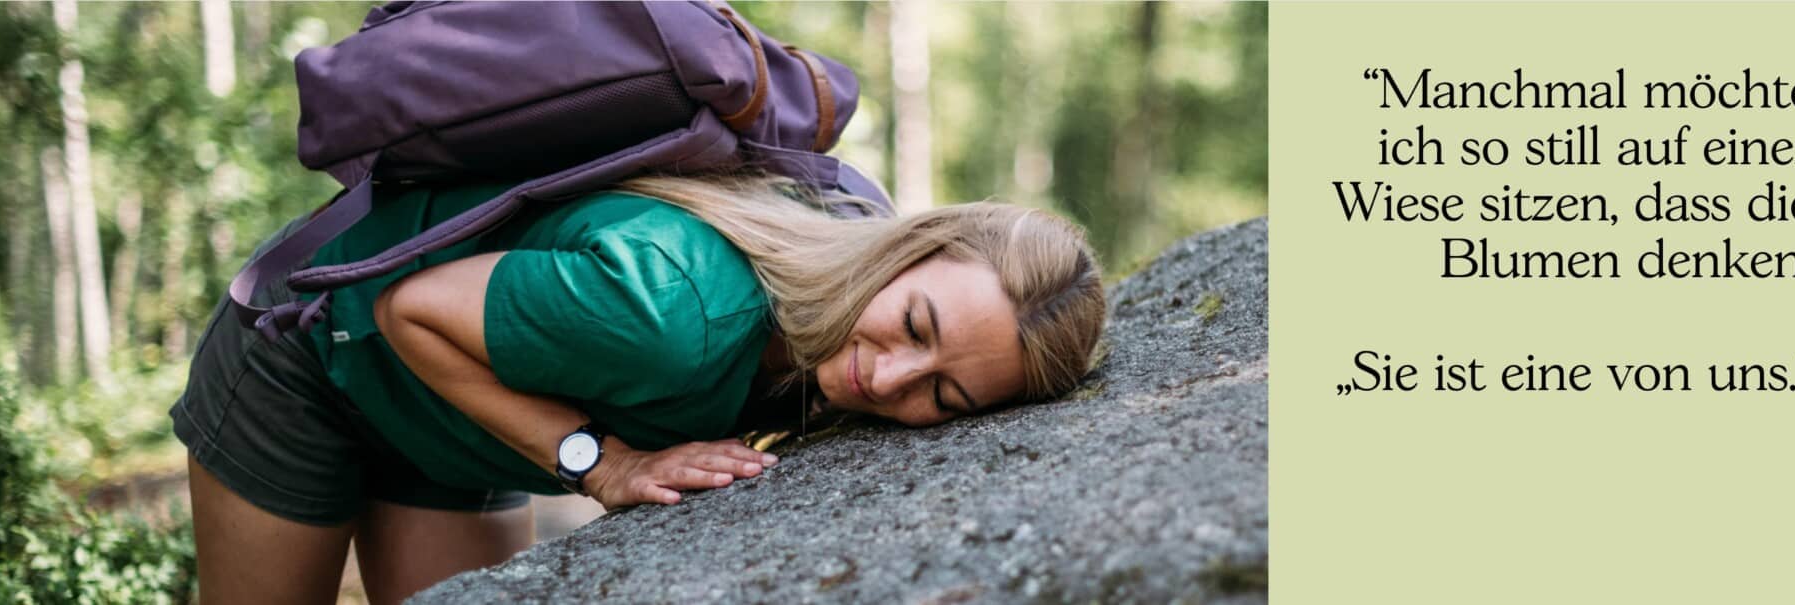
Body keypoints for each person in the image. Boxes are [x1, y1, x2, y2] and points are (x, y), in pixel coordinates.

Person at [169, 173, 1105, 603]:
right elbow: (413, 307)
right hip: (314, 356)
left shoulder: (824, 311)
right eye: (915, 326)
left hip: (461, 413)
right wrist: (599, 462)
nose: (889, 379)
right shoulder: (670, 311)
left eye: (941, 399)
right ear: (910, 246)